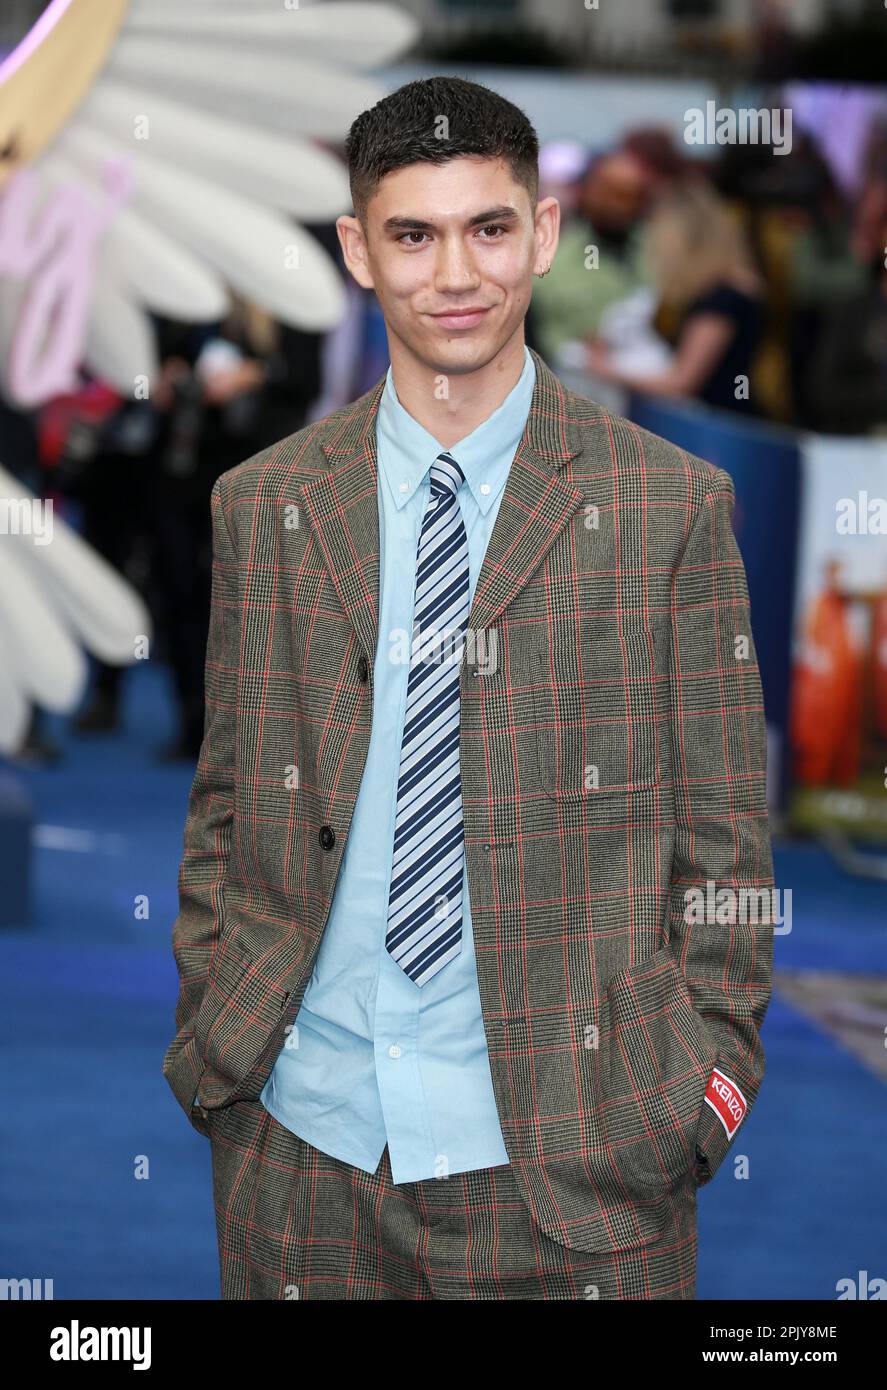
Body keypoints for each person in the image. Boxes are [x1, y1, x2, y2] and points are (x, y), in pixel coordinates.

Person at [162, 76, 775, 1302]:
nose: (456, 273)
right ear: (356, 250)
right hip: (301, 1147)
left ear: (541, 233)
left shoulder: (669, 509)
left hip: (579, 1163)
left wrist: (700, 1095)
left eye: (488, 228)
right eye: (412, 233)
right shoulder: (265, 505)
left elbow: (726, 846)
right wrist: (216, 1037)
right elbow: (228, 806)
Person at [587, 182, 767, 414]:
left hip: (717, 433)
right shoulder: (735, 288)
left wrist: (605, 369)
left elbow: (680, 383)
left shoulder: (722, 299)